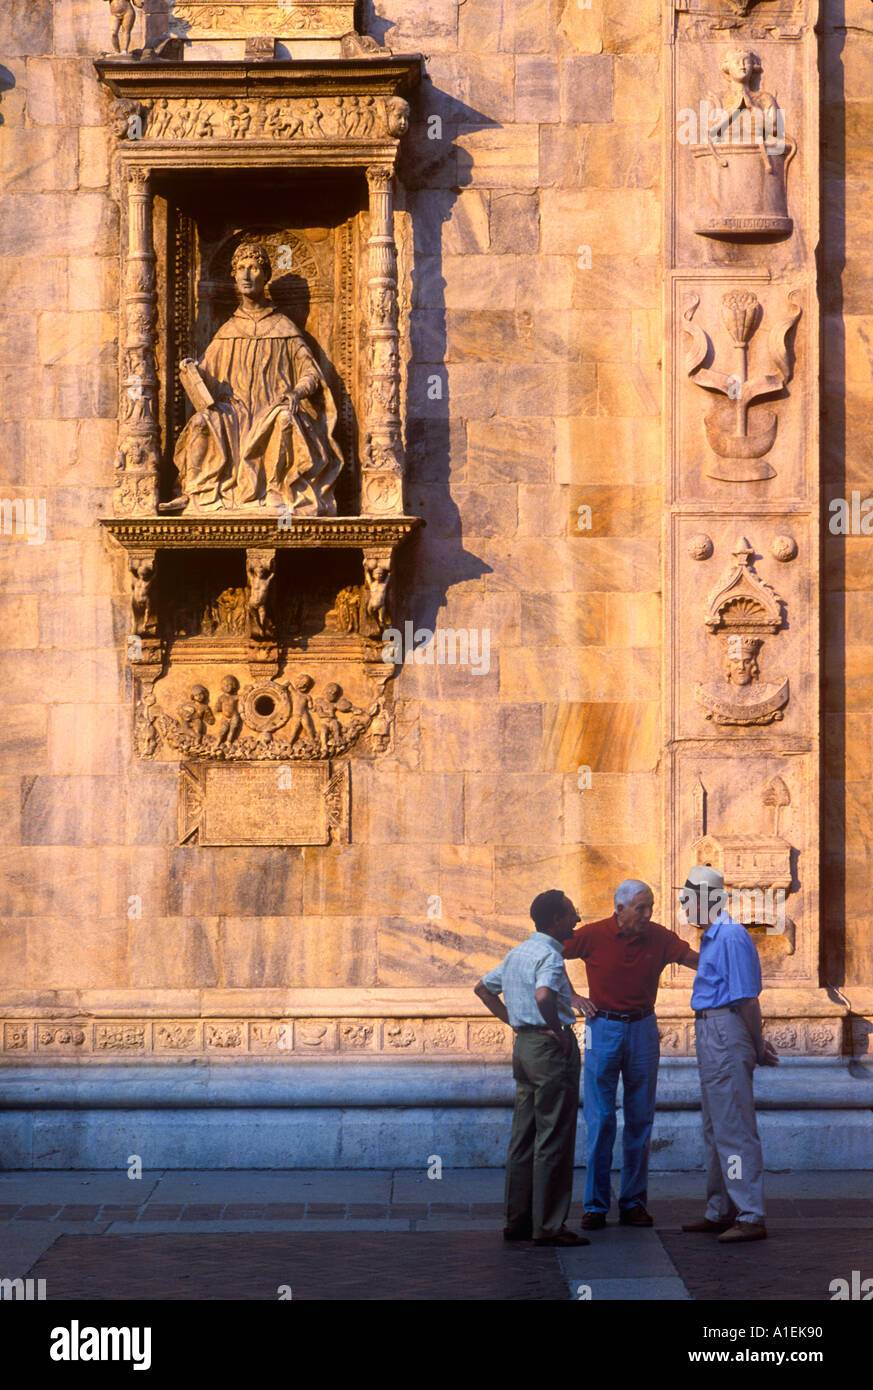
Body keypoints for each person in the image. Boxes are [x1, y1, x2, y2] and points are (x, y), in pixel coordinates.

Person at [162, 241, 343, 515]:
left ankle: (276, 489)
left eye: (254, 268)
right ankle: (194, 491)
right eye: (241, 269)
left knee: (284, 419)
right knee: (200, 422)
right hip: (234, 412)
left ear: (265, 275)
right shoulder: (229, 329)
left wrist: (295, 394)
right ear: (233, 275)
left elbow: (310, 374)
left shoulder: (283, 326)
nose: (247, 276)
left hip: (272, 408)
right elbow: (207, 376)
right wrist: (191, 371)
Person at [563, 879, 699, 1229]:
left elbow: (695, 961)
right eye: (640, 907)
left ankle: (634, 1202)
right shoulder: (593, 935)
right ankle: (595, 1205)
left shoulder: (659, 936)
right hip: (601, 1028)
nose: (647, 913)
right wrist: (572, 997)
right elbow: (546, 953)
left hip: (643, 1028)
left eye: (650, 906)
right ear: (619, 909)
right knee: (600, 1118)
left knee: (640, 1117)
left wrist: (729, 949)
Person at [473, 890, 591, 1247]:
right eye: (571, 913)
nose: (577, 919)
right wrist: (555, 1030)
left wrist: (514, 1022)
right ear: (555, 920)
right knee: (553, 1135)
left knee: (522, 1134)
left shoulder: (517, 953)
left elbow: (483, 988)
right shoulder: (550, 956)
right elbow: (544, 996)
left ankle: (517, 1219)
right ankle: (549, 1225)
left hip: (524, 1046)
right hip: (549, 1049)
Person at [678, 865, 778, 1243]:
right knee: (716, 1125)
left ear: (706, 900)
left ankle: (749, 1213)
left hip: (725, 1028)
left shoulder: (731, 936)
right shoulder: (713, 937)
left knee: (733, 1123)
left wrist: (755, 1045)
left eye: (688, 899)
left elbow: (747, 999)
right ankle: (721, 1208)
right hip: (713, 1028)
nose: (684, 906)